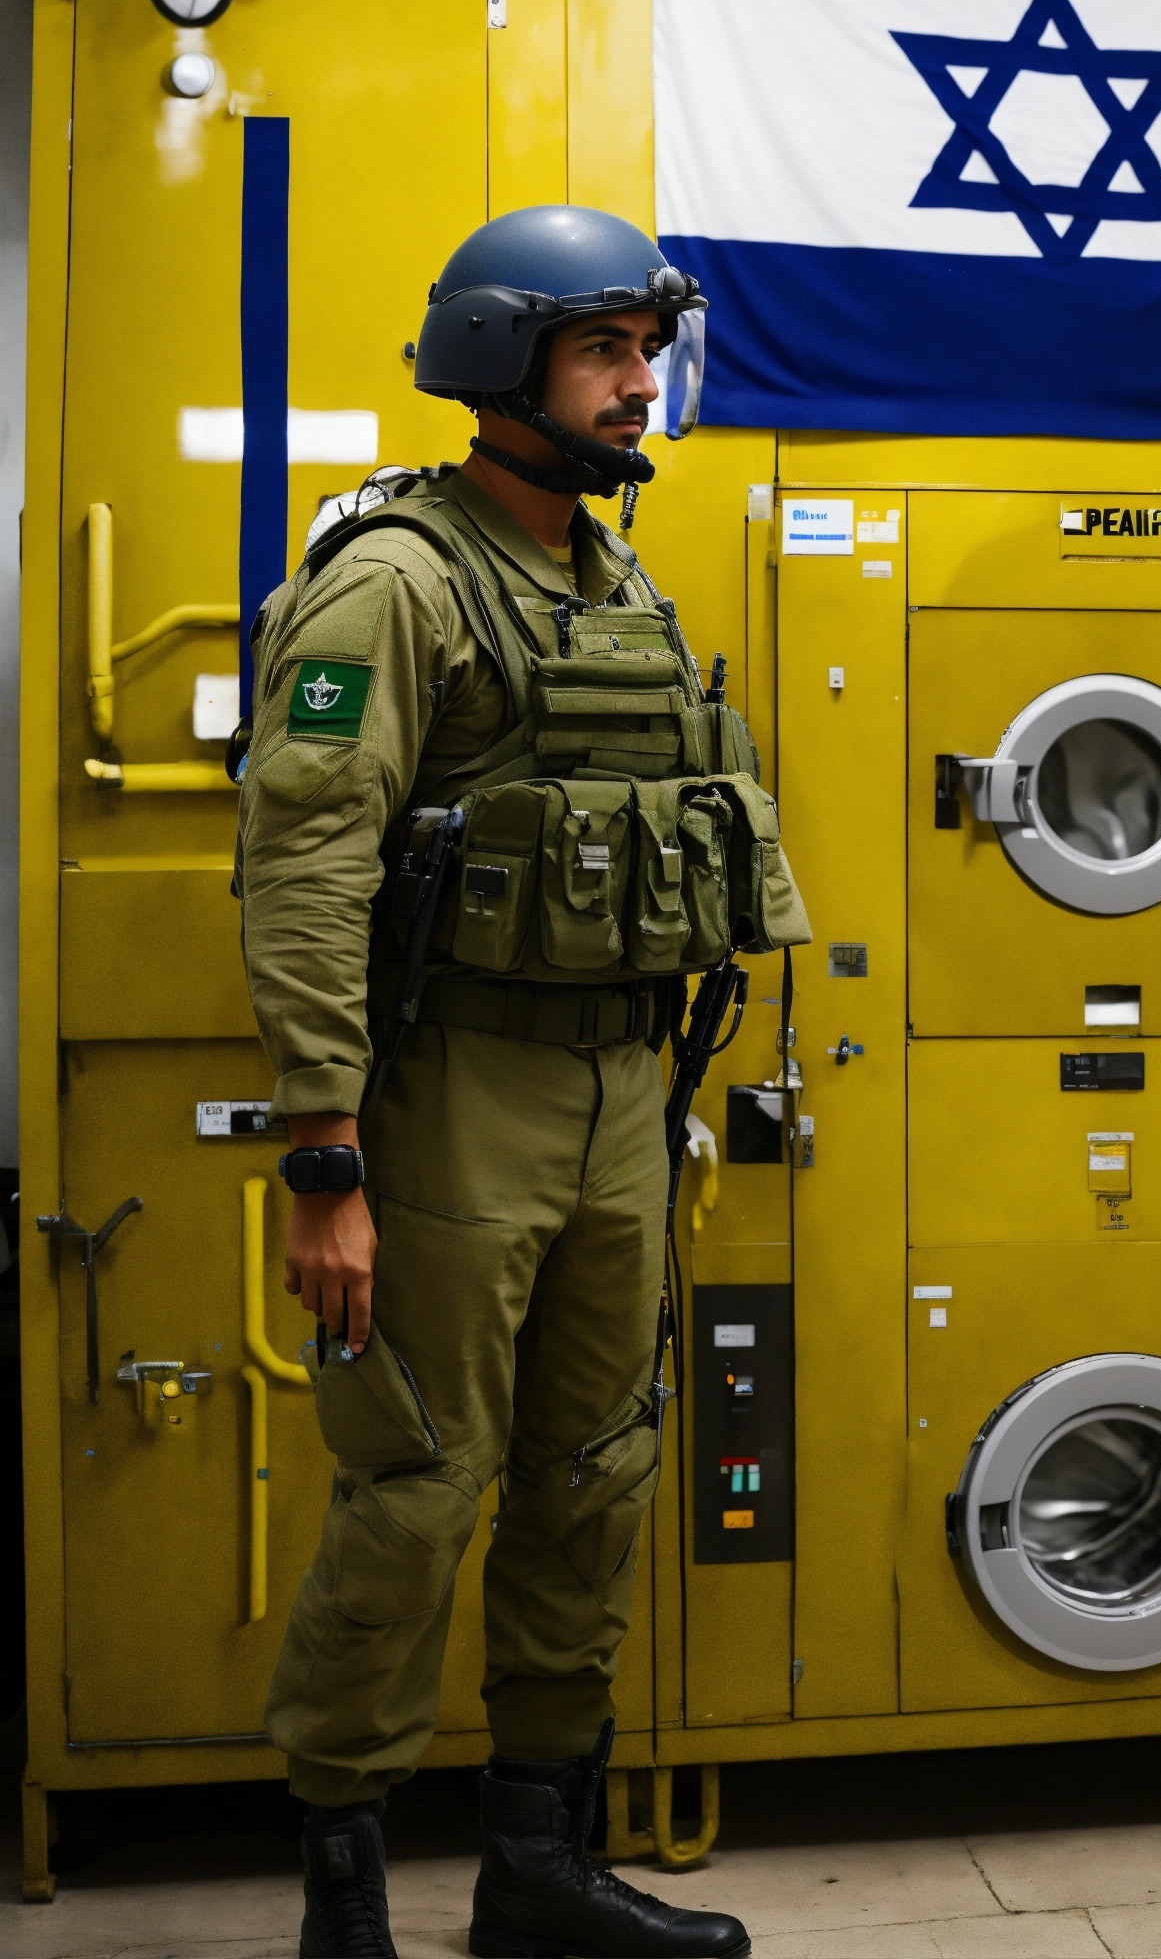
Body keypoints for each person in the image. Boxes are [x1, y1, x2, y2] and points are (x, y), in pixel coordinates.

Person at [235, 206, 806, 1959]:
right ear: (504, 363)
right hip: (447, 1103)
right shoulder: (396, 578)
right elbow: (308, 857)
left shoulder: (611, 583)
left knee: (599, 1472)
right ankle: (344, 1886)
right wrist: (321, 1157)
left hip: (618, 1098)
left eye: (650, 351)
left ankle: (537, 1871)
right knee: (415, 1485)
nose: (642, 385)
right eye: (604, 352)